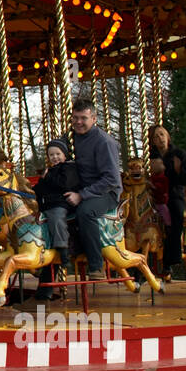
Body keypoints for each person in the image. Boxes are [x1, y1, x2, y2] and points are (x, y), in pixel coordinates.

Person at [61, 98, 123, 287]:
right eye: (75, 118)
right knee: (52, 209)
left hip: (106, 192)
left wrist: (82, 195)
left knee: (85, 212)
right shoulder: (70, 137)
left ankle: (96, 265)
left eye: (83, 118)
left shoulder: (104, 142)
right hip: (79, 189)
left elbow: (111, 179)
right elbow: (57, 149)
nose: (78, 122)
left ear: (94, 118)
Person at [32, 138, 80, 300]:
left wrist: (47, 177)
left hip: (62, 204)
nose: (54, 157)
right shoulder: (49, 171)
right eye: (51, 154)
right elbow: (40, 189)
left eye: (58, 154)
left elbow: (65, 184)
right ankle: (45, 288)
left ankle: (63, 248)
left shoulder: (69, 168)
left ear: (65, 155)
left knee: (56, 217)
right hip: (48, 206)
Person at [148, 124, 186, 280]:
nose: (160, 138)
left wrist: (178, 171)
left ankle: (170, 259)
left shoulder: (179, 154)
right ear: (152, 141)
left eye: (162, 134)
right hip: (154, 194)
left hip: (174, 193)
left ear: (167, 136)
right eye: (156, 137)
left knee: (177, 215)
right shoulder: (150, 157)